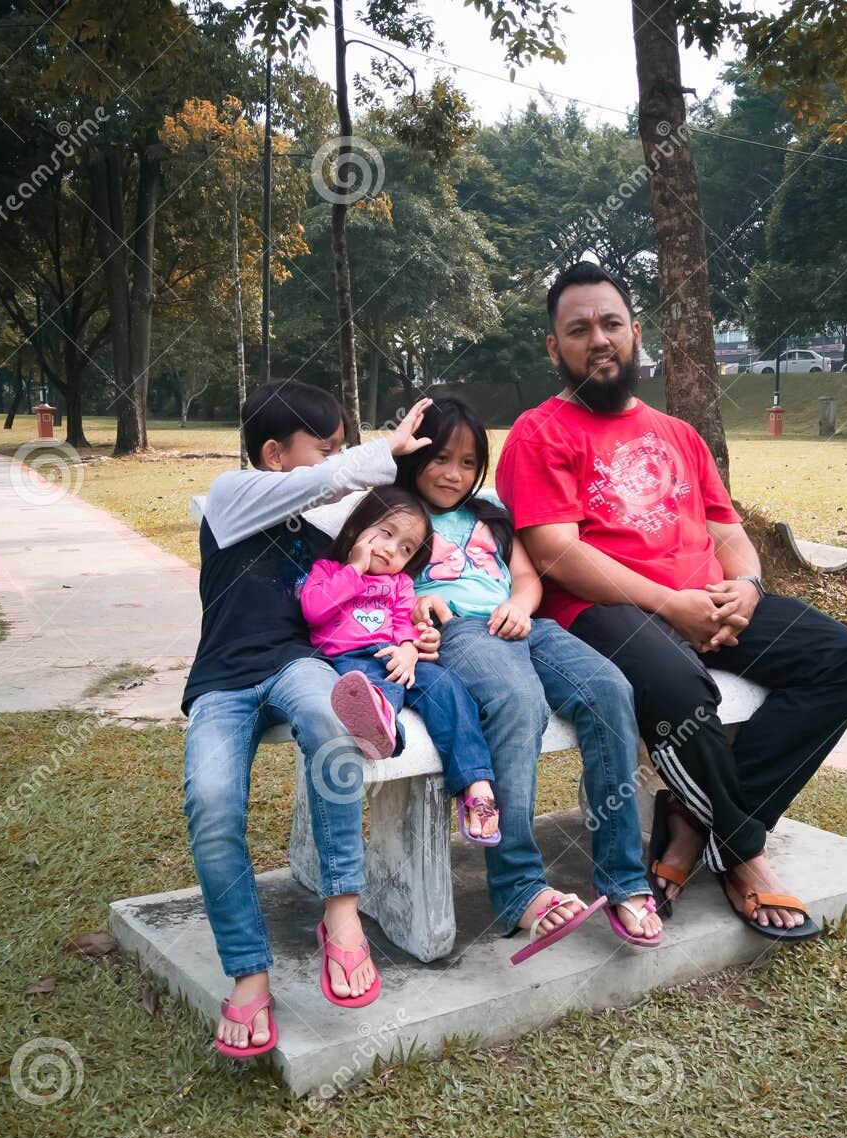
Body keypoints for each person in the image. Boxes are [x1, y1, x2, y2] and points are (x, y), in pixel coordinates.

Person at [495, 261, 847, 942]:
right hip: (599, 609)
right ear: (555, 348)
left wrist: (747, 587)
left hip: (706, 601)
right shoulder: (539, 432)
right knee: (678, 689)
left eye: (611, 323)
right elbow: (557, 554)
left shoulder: (679, 434)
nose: (599, 339)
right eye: (578, 329)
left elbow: (728, 531)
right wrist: (673, 606)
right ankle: (746, 856)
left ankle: (692, 818)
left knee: (843, 661)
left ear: (635, 333)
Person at [181, 381, 435, 1058]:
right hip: (222, 681)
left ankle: (341, 913)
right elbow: (337, 477)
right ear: (273, 453)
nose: (337, 459)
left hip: (296, 662)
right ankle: (249, 970)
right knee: (209, 802)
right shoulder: (229, 496)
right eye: (324, 445)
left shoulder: (325, 513)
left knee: (331, 721)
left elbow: (393, 534)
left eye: (340, 446)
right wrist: (377, 448)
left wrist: (416, 626)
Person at [396, 397, 661, 955]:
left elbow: (526, 576)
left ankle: (623, 878)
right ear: (414, 453)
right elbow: (372, 572)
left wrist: (522, 604)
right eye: (440, 458)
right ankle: (519, 889)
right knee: (519, 702)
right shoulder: (396, 511)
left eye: (468, 462)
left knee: (609, 689)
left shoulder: (489, 512)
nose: (454, 474)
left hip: (524, 625)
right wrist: (418, 610)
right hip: (463, 632)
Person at [303, 485, 502, 847]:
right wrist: (355, 569)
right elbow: (315, 609)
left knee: (447, 687)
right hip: (348, 660)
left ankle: (477, 783)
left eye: (406, 549)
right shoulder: (328, 570)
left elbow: (403, 622)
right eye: (385, 534)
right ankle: (381, 724)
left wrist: (410, 649)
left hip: (396, 654)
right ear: (357, 529)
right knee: (374, 686)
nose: (392, 550)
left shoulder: (400, 583)